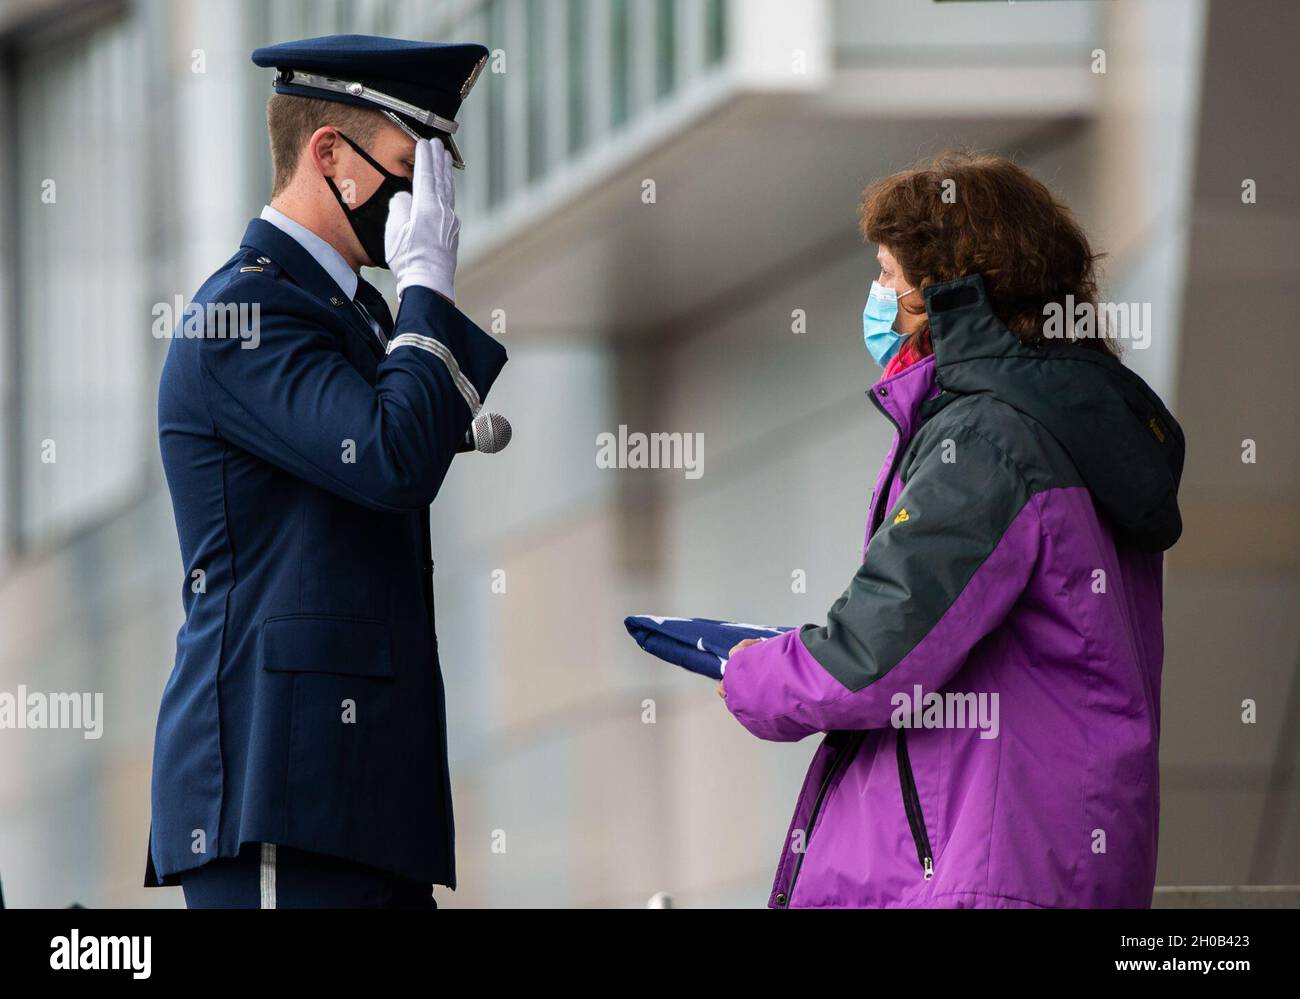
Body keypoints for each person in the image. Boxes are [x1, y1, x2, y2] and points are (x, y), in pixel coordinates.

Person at [719, 149, 1184, 908]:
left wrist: (749, 669)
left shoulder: (988, 440)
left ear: (944, 295)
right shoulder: (1075, 423)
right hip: (1058, 864)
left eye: (885, 275)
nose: (874, 296)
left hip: (982, 875)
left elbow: (871, 655)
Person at [144, 35, 504, 908]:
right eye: (409, 166)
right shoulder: (249, 310)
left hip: (357, 793)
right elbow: (389, 457)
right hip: (284, 782)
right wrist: (428, 288)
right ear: (328, 154)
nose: (427, 199)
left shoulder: (349, 314)